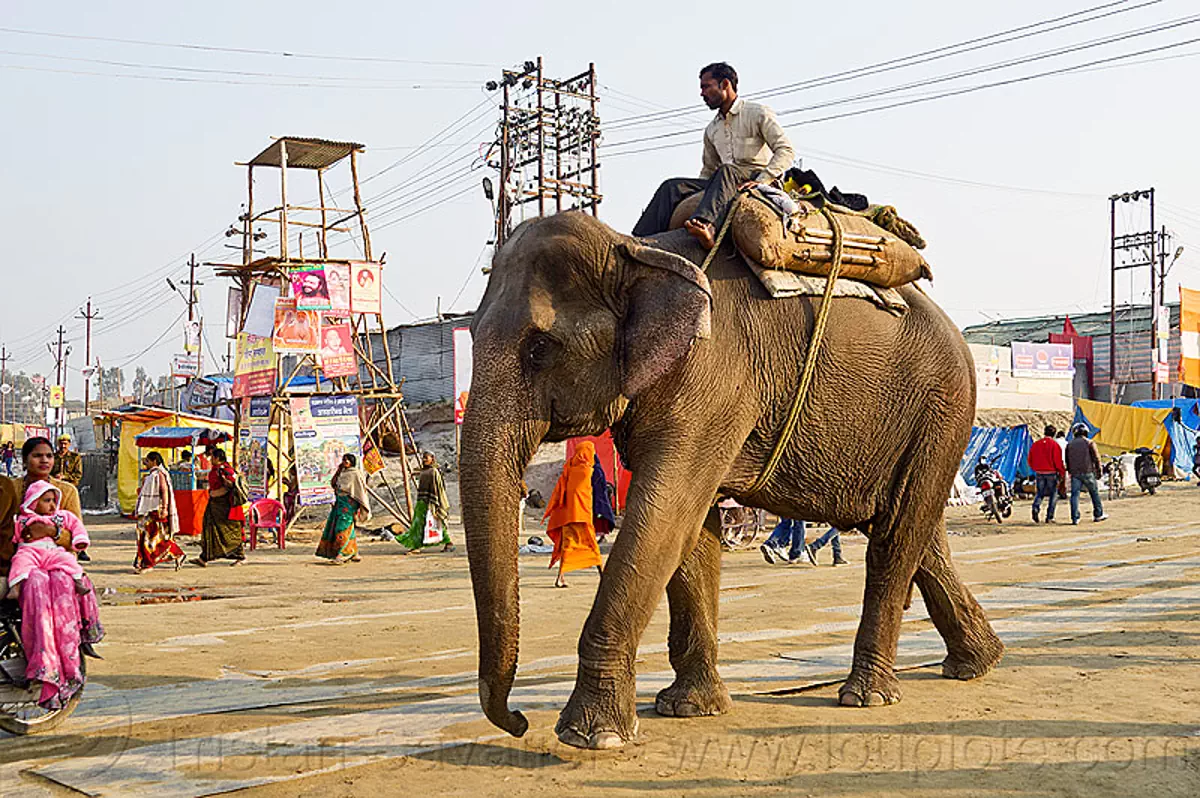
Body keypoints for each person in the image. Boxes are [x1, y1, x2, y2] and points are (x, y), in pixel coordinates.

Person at [632, 62, 794, 249]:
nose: (702, 93)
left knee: (727, 171)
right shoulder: (712, 129)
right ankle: (640, 240)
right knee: (672, 186)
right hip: (723, 180)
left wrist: (764, 179)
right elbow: (709, 170)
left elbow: (786, 150)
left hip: (753, 176)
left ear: (725, 84)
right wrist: (697, 193)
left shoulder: (757, 113)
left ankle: (706, 226)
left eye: (706, 87)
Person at [543, 441, 604, 588]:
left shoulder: (569, 468)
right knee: (591, 545)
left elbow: (562, 491)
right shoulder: (587, 470)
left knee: (567, 547)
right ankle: (603, 575)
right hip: (581, 516)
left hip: (567, 515)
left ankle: (560, 577)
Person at [134, 451, 185, 573]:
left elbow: (164, 491)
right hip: (148, 511)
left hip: (155, 511)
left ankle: (148, 563)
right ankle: (175, 554)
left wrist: (164, 508)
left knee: (152, 538)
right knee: (151, 537)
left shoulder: (159, 475)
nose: (145, 463)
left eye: (148, 460)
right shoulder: (152, 475)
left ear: (154, 461)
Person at [193, 448, 245, 566]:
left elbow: (230, 486)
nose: (210, 460)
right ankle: (204, 557)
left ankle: (240, 556)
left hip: (225, 507)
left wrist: (215, 494)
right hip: (215, 507)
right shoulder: (218, 470)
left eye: (212, 457)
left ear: (217, 458)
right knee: (209, 529)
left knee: (231, 532)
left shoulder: (225, 471)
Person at [316, 454, 370, 564]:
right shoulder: (343, 473)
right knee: (345, 526)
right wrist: (338, 470)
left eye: (347, 460)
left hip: (349, 504)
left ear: (352, 462)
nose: (345, 461)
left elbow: (359, 491)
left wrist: (358, 507)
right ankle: (354, 552)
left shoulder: (355, 473)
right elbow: (333, 484)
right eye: (343, 459)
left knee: (342, 527)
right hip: (340, 503)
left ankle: (341, 554)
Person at [397, 451, 454, 552]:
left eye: (426, 458)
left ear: (432, 458)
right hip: (421, 501)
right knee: (423, 524)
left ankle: (417, 546)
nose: (424, 460)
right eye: (423, 458)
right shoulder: (425, 470)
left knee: (424, 524)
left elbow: (437, 489)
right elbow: (423, 473)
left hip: (429, 502)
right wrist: (415, 473)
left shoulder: (434, 472)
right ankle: (447, 543)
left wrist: (434, 503)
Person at [1066, 424, 1109, 524]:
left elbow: (1067, 460)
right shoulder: (1090, 443)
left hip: (1075, 473)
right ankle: (1098, 514)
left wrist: (1070, 471)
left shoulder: (1070, 444)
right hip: (1088, 472)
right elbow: (1096, 458)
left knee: (1075, 495)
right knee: (1094, 493)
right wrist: (1099, 471)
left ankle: (1075, 518)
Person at [1027, 424, 1066, 523]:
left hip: (1039, 473)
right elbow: (1058, 461)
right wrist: (1061, 472)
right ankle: (1049, 516)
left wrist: (1035, 468)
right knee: (1053, 494)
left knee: (1040, 493)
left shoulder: (1036, 444)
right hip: (1051, 473)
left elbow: (1030, 459)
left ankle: (1035, 507)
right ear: (1054, 434)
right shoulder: (1054, 445)